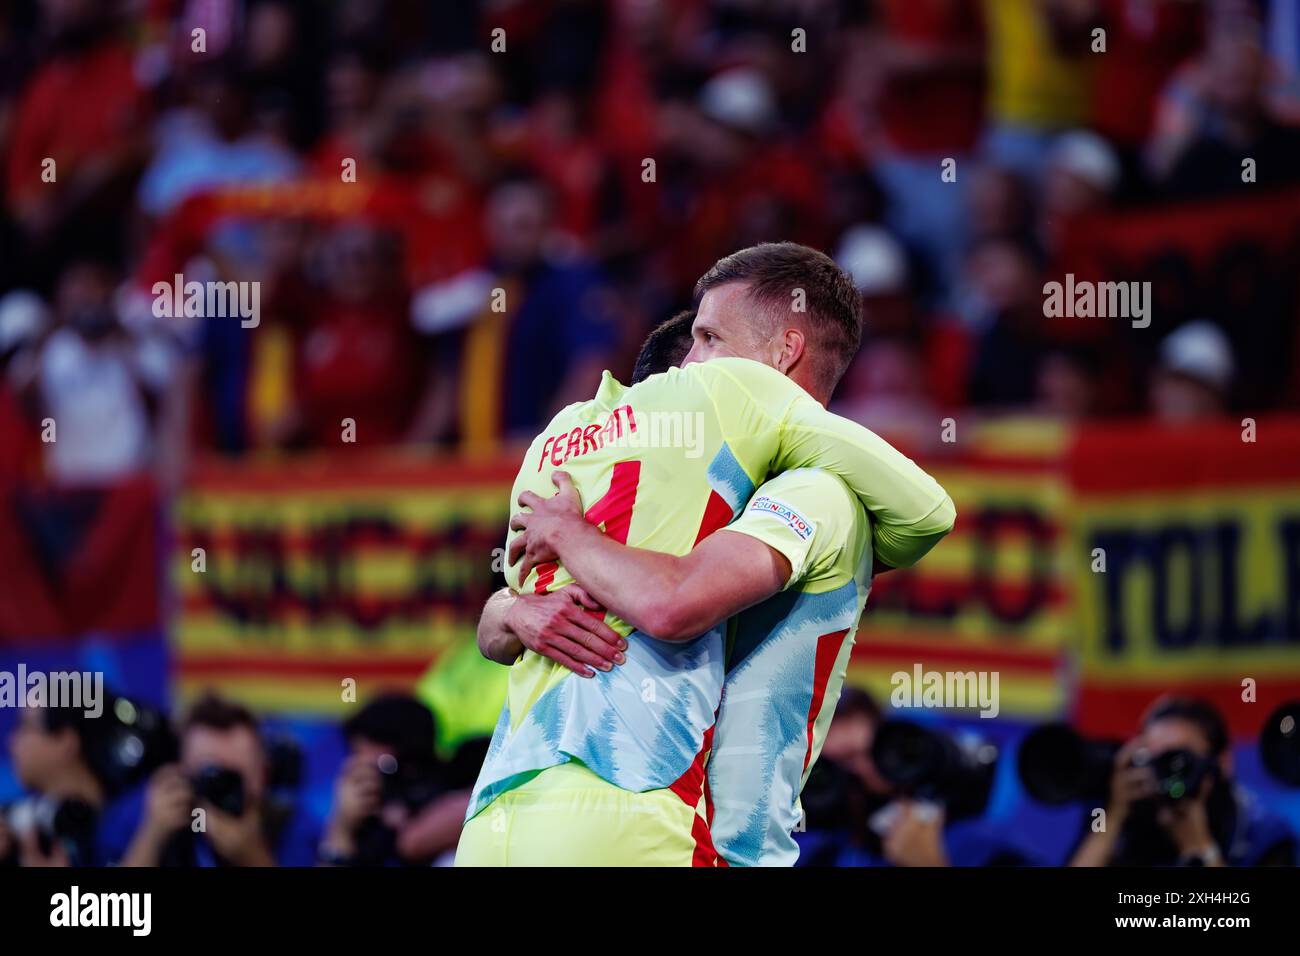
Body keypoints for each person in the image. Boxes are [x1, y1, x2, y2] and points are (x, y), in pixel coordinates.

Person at [457, 242, 955, 866]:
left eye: (710, 339)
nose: (687, 367)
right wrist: (510, 608)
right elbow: (519, 610)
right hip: (640, 821)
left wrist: (561, 551)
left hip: (542, 819)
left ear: (784, 352)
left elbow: (669, 602)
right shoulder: (717, 479)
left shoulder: (816, 492)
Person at [1070, 696, 1297, 867]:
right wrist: (1114, 818)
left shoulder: (1263, 833)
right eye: (1154, 758)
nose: (1167, 773)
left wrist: (1202, 848)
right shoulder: (1119, 812)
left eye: (1180, 760)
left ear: (1222, 762)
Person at [122, 695, 318, 867]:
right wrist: (153, 837)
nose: (222, 788)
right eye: (211, 774)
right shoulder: (144, 813)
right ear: (181, 771)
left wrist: (254, 858)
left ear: (264, 774)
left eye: (234, 776)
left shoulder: (293, 827)